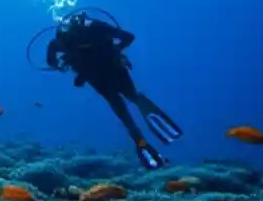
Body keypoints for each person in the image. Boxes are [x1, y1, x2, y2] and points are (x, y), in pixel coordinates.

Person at [46, 12, 183, 169]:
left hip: (96, 77)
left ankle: (139, 140)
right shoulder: (97, 27)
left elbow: (50, 62)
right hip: (114, 69)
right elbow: (129, 37)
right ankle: (143, 114)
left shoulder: (61, 40)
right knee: (132, 96)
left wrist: (63, 64)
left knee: (120, 109)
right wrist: (117, 49)